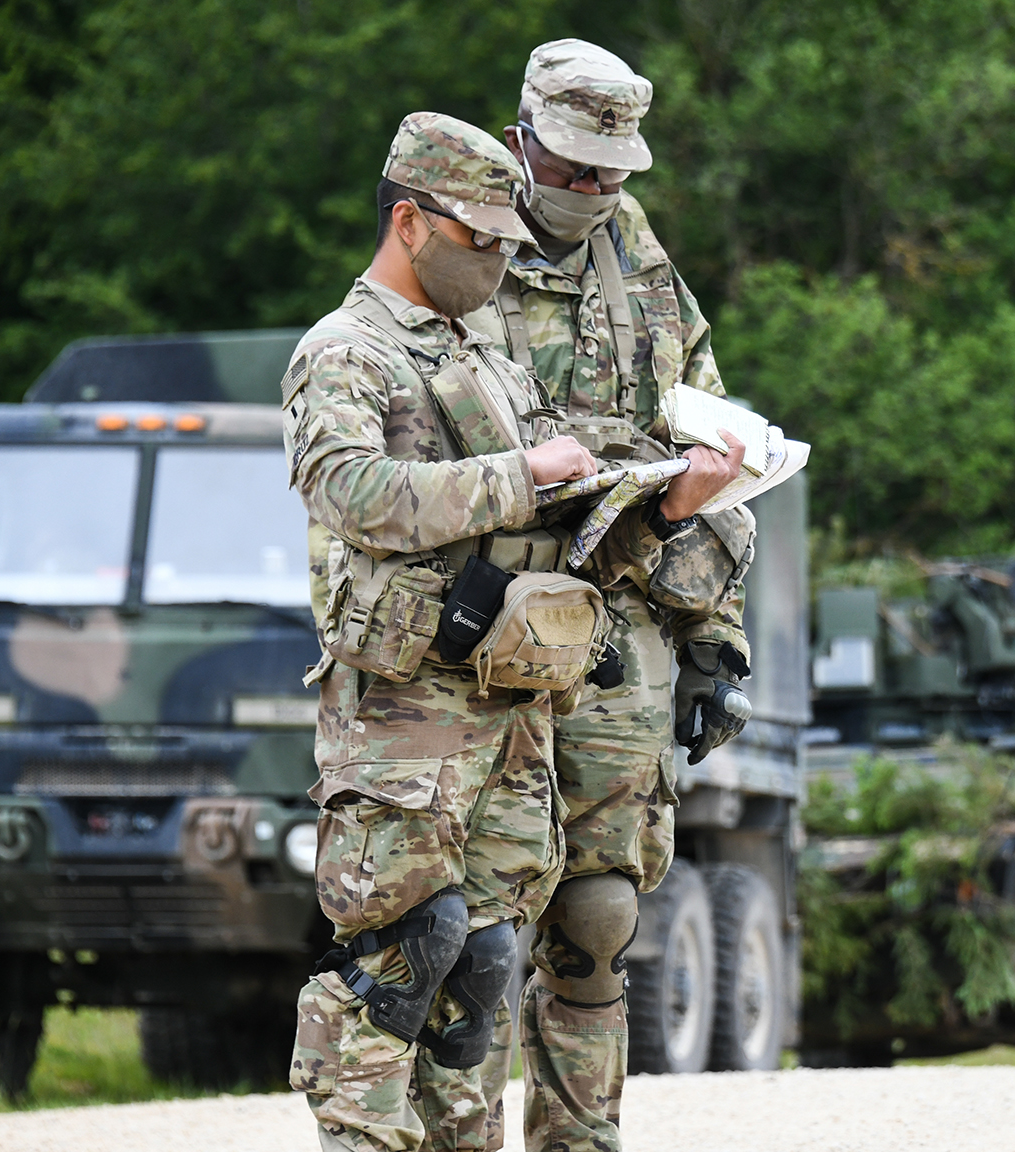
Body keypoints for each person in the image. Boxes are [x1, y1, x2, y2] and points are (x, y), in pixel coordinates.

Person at [284, 110, 612, 1152]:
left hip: (506, 710)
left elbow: (531, 502)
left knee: (481, 969)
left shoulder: (482, 352)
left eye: (509, 239)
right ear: (413, 222)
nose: (500, 259)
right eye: (482, 238)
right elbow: (353, 493)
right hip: (404, 719)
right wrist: (526, 476)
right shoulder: (346, 350)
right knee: (395, 955)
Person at [461, 37, 756, 1152]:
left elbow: (713, 443)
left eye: (612, 172)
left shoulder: (639, 260)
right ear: (520, 130)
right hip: (486, 635)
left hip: (618, 641)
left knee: (595, 919)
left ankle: (579, 1144)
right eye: (575, 167)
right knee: (480, 932)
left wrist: (713, 640)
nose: (592, 191)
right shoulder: (457, 240)